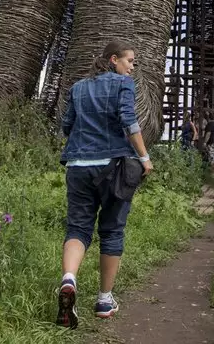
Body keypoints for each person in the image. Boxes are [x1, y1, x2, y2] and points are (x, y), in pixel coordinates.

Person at [56, 40, 153, 329]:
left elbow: (66, 126)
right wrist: (145, 157)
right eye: (130, 61)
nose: (132, 67)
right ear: (114, 60)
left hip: (78, 166)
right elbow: (129, 122)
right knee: (111, 230)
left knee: (78, 228)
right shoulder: (123, 84)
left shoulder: (78, 88)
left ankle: (69, 279)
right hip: (113, 167)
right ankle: (104, 300)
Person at [202, 110, 214, 174]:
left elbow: (208, 134)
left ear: (208, 117)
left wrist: (204, 142)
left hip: (211, 144)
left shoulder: (209, 124)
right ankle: (213, 176)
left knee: (213, 160)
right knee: (213, 160)